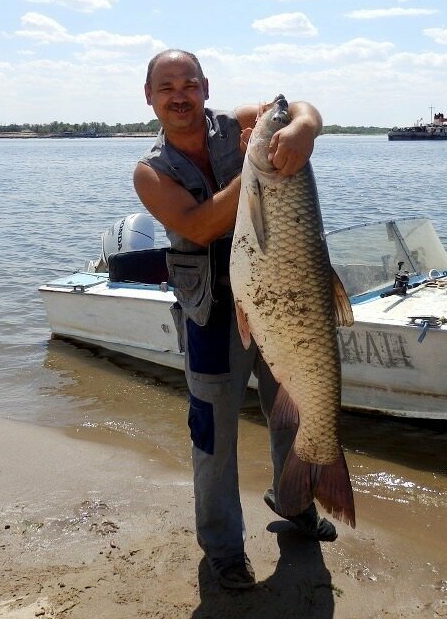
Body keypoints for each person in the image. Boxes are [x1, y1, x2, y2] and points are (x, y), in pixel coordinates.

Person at [133, 49, 336, 590]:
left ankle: (295, 505)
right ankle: (223, 548)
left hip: (284, 297)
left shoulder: (241, 124)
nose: (179, 94)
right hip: (210, 311)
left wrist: (302, 133)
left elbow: (296, 108)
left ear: (205, 87)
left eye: (188, 83)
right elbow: (198, 228)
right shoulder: (150, 172)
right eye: (166, 86)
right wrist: (257, 174)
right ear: (149, 98)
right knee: (213, 435)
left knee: (293, 414)